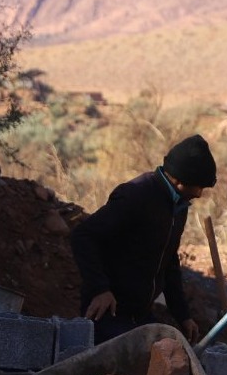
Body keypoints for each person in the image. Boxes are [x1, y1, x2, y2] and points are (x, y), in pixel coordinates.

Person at [71, 134, 217, 344]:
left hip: (139, 315)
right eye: (199, 186)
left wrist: (182, 315)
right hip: (109, 313)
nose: (200, 194)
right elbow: (83, 236)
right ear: (180, 179)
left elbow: (168, 261)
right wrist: (99, 289)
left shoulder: (178, 207)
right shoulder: (136, 195)